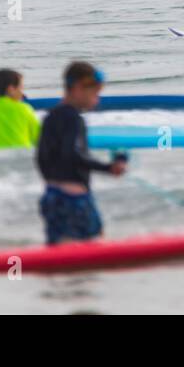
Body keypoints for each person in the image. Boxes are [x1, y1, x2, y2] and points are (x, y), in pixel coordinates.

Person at [36, 61, 127, 245]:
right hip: (74, 200)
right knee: (93, 248)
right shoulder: (73, 119)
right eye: (95, 93)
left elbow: (41, 159)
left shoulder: (50, 116)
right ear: (78, 88)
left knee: (60, 253)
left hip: (51, 197)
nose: (97, 99)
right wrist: (109, 167)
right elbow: (73, 154)